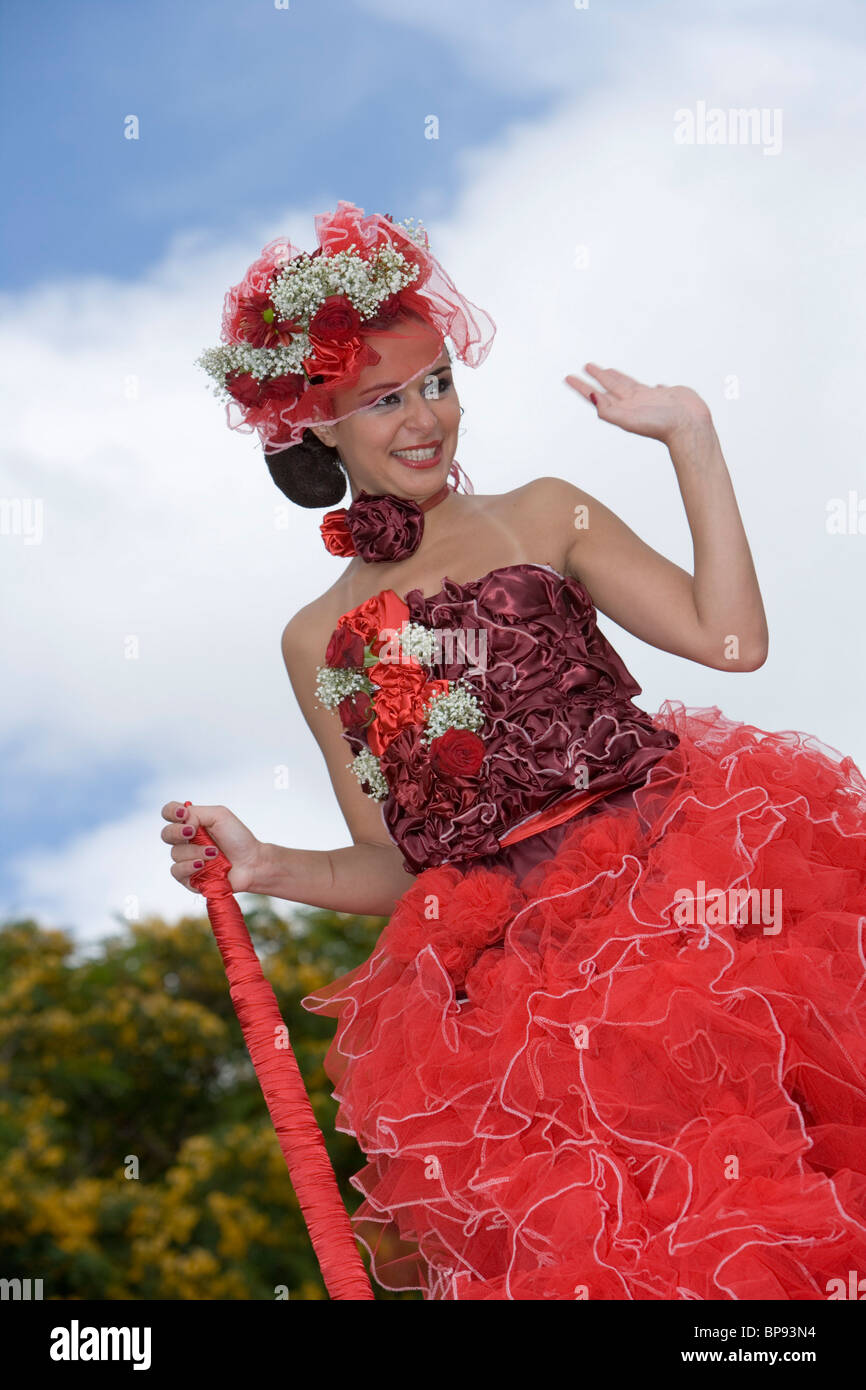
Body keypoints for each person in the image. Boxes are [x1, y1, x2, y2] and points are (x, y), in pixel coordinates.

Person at [163, 201, 866, 1300]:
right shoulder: (316, 639)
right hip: (524, 995)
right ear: (319, 430)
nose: (423, 418)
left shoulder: (543, 514)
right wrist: (265, 867)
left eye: (436, 382)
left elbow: (732, 642)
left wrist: (691, 439)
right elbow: (399, 866)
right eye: (384, 400)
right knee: (631, 1261)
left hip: (686, 904)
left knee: (775, 1218)